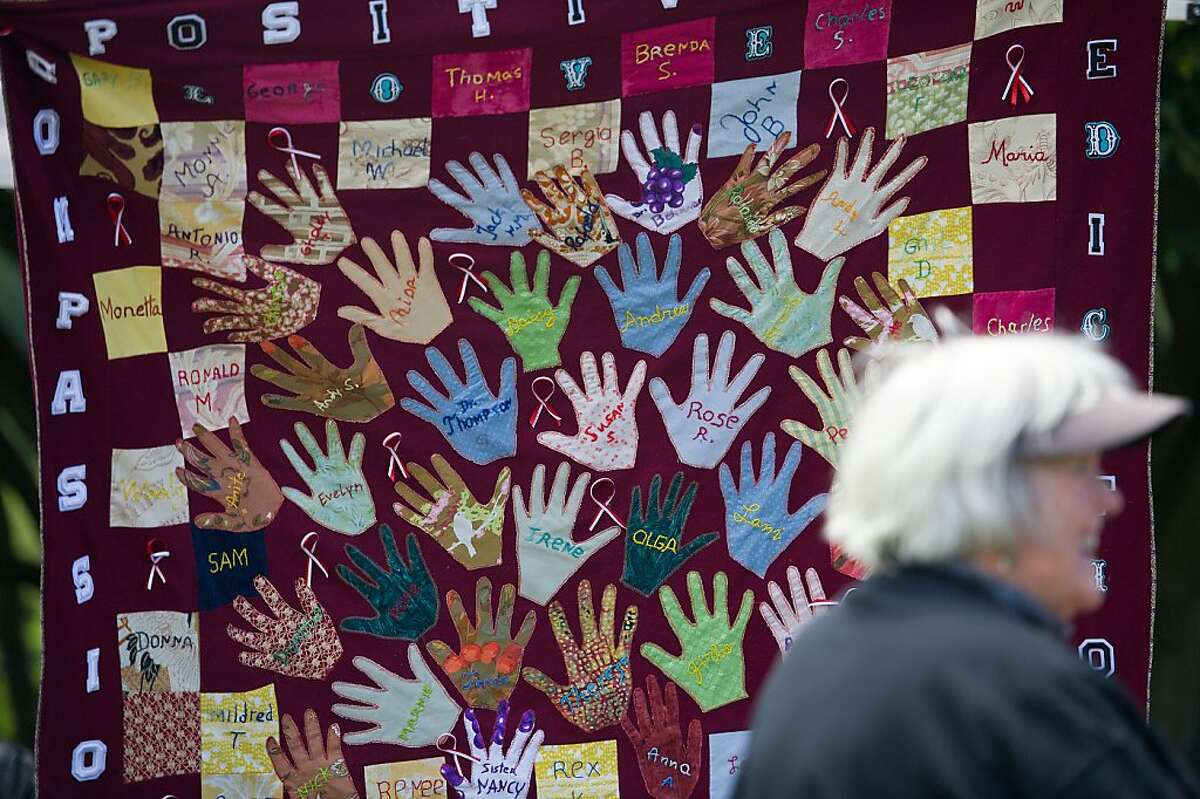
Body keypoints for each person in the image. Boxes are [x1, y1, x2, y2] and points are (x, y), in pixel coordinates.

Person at [735, 332, 1200, 798]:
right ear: (990, 490)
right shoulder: (1025, 692)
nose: (1110, 500)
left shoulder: (818, 662)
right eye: (1078, 470)